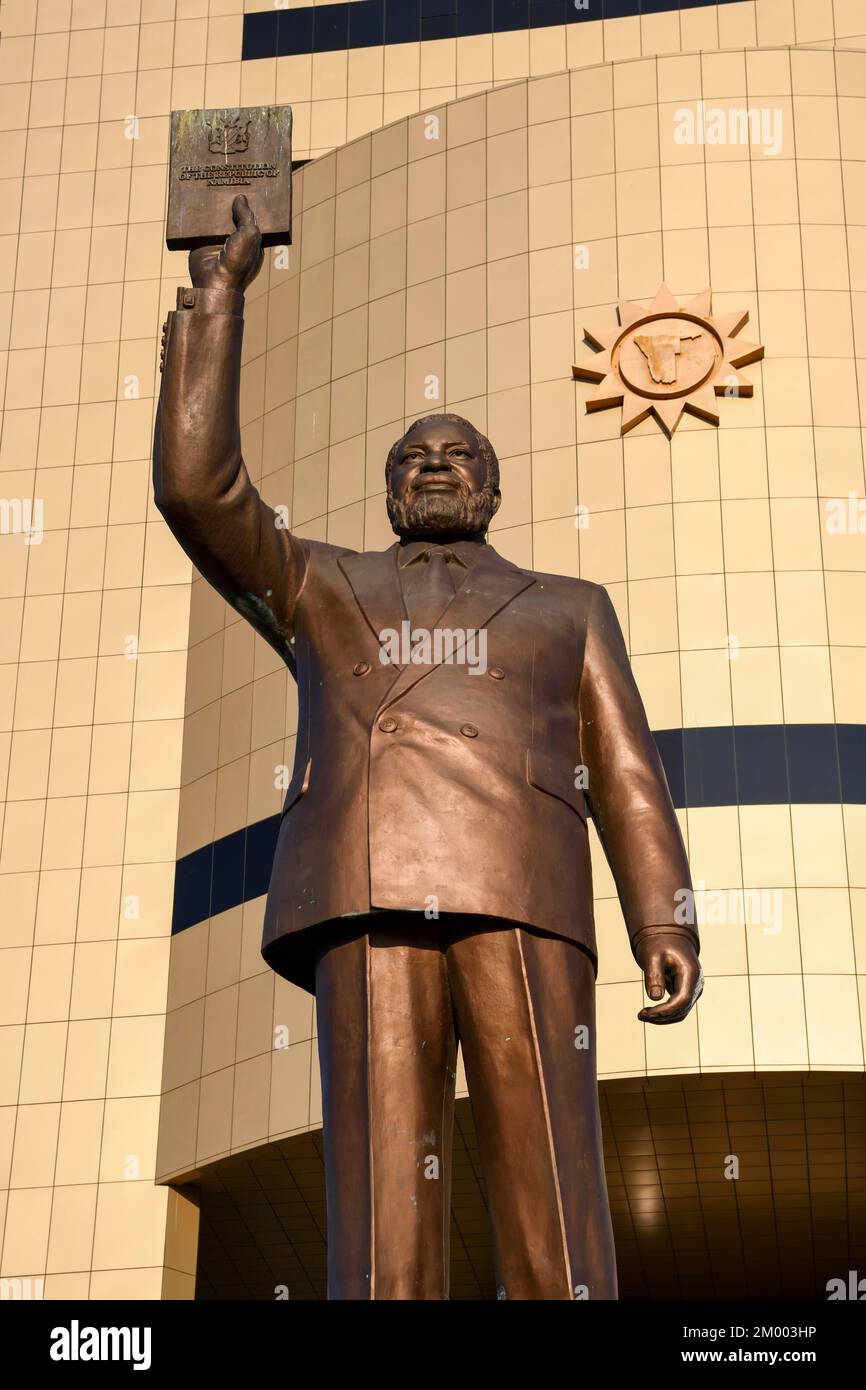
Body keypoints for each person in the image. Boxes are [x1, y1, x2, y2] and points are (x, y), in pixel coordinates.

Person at [154, 195, 703, 1300]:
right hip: (366, 888)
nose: (438, 465)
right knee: (381, 1214)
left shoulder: (567, 606)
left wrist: (662, 917)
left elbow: (629, 776)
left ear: (493, 491)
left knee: (552, 1188)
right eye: (416, 455)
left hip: (524, 895)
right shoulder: (322, 584)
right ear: (391, 489)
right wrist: (220, 298)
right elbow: (198, 491)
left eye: (460, 456)